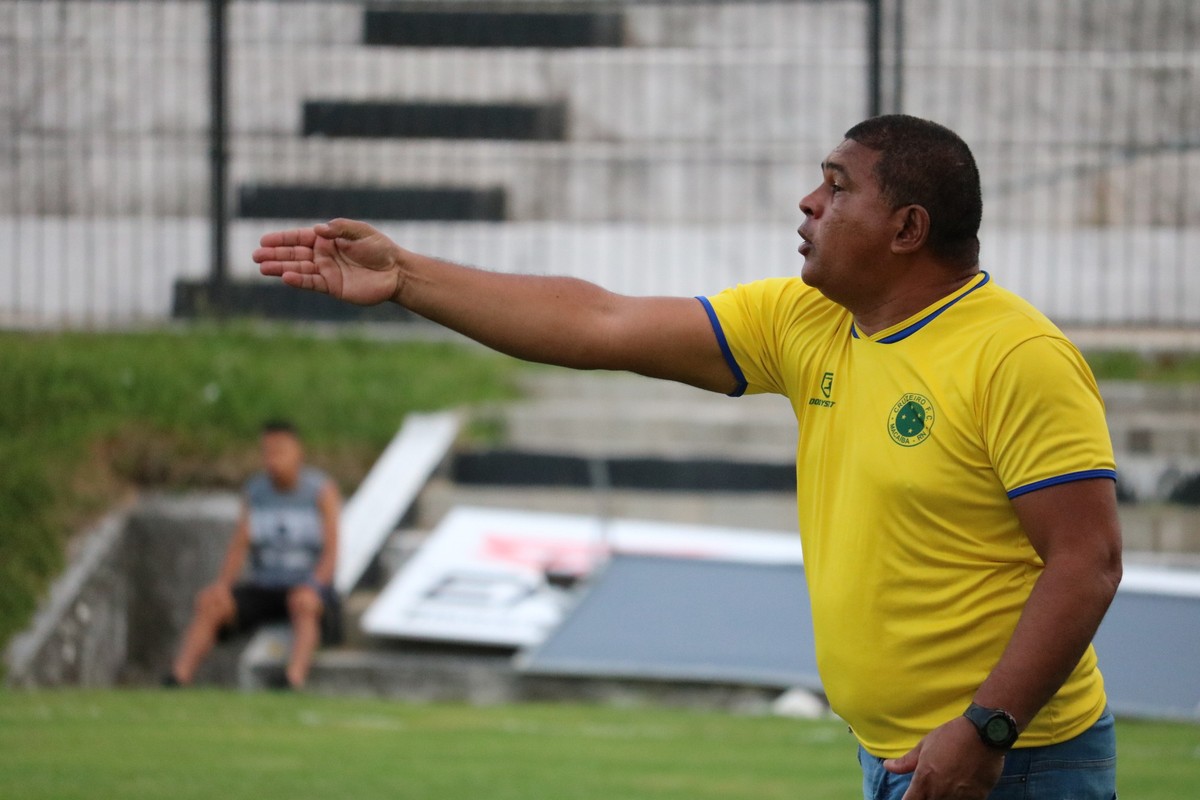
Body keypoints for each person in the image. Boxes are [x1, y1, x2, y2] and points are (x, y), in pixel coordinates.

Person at [253, 115, 1122, 799]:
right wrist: (405, 276)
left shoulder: (1016, 356)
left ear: (906, 227)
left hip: (1018, 764)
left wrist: (986, 731)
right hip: (901, 756)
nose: (807, 205)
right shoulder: (810, 321)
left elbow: (1087, 562)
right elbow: (600, 324)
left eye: (834, 187)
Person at [166, 420, 341, 690]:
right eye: (267, 452)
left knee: (303, 604)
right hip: (265, 586)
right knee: (211, 603)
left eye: (280, 451)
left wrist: (315, 586)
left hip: (305, 585)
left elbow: (332, 551)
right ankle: (178, 677)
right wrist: (222, 586)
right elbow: (239, 545)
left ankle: (292, 678)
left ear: (298, 451)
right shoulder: (256, 492)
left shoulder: (320, 491)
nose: (273, 460)